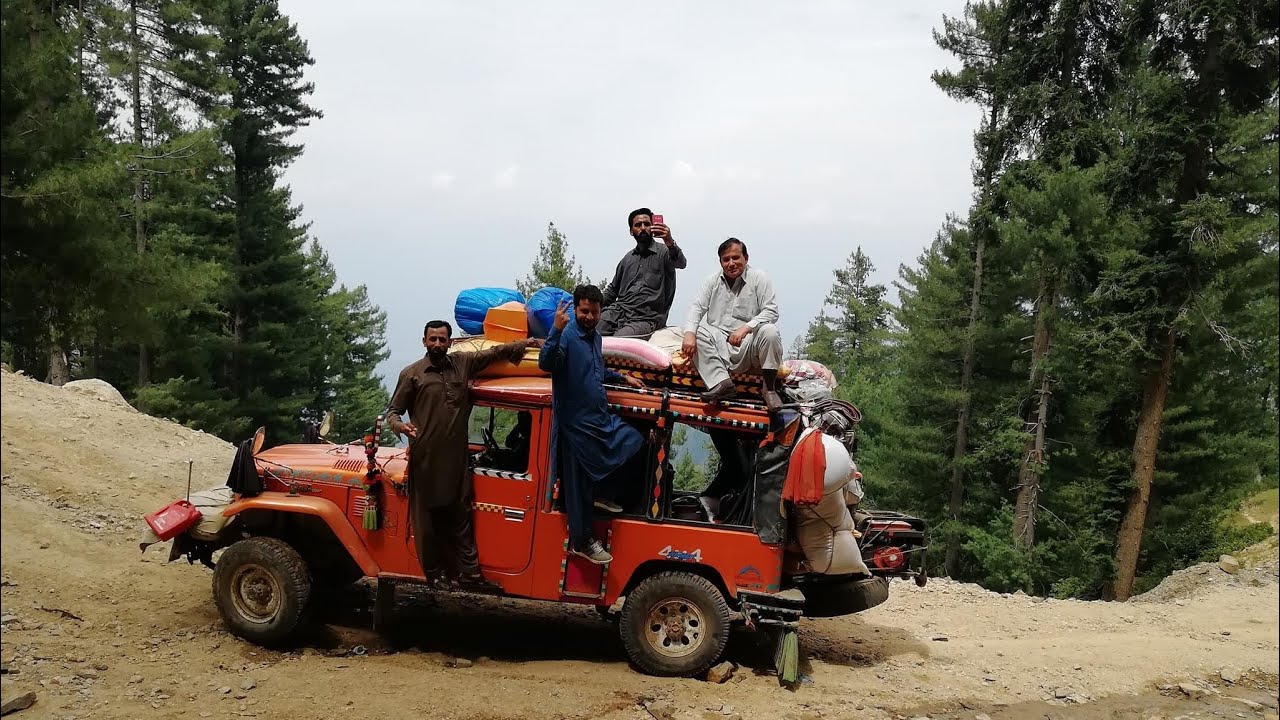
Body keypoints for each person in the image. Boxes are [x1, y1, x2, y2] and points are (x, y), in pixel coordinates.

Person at [385, 320, 540, 589]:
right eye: (432, 339)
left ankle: (471, 574)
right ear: (424, 341)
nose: (437, 344)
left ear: (449, 342)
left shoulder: (462, 363)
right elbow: (393, 412)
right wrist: (400, 427)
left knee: (461, 514)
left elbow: (493, 353)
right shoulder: (412, 374)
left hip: (457, 457)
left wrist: (525, 344)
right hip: (426, 458)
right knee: (427, 519)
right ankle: (434, 574)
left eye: (442, 339)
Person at [539, 284, 647, 564]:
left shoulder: (596, 337)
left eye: (595, 312)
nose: (589, 317)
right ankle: (582, 541)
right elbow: (547, 364)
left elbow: (596, 370)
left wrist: (623, 378)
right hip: (575, 424)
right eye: (584, 311)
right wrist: (555, 330)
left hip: (598, 418)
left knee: (635, 441)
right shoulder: (566, 335)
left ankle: (605, 493)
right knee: (579, 486)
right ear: (576, 309)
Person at [681, 238, 784, 413]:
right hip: (718, 343)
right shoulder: (711, 281)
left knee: (770, 331)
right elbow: (697, 308)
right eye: (726, 259)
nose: (731, 263)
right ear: (720, 262)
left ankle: (769, 389)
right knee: (695, 331)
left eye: (736, 258)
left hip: (748, 344)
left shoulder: (759, 278)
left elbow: (771, 311)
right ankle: (721, 383)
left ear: (746, 258)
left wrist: (746, 328)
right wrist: (689, 334)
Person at [599, 207, 687, 337]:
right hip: (618, 312)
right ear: (631, 231)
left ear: (653, 226)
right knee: (591, 328)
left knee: (620, 340)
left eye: (647, 224)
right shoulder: (627, 259)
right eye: (638, 225)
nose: (643, 228)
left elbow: (681, 263)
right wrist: (592, 305)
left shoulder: (664, 252)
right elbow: (612, 291)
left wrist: (669, 241)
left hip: (646, 318)